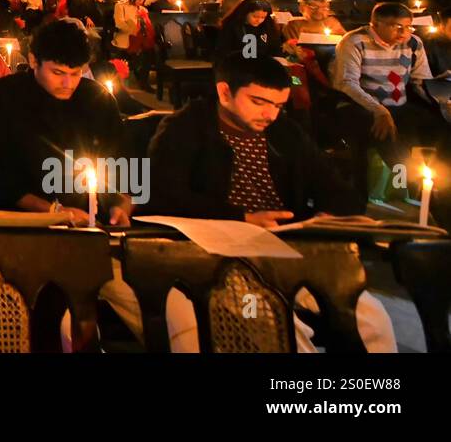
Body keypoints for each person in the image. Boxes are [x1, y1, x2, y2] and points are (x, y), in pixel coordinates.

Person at [141, 57, 396, 352]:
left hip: (286, 248)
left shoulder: (284, 132)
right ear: (225, 93)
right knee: (279, 325)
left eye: (278, 105)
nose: (270, 114)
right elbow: (162, 197)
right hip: (219, 255)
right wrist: (242, 217)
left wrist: (335, 215)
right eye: (259, 102)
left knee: (371, 318)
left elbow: (335, 186)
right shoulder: (185, 128)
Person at [0, 20, 126, 225]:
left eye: (75, 73)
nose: (68, 84)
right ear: (34, 60)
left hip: (92, 221)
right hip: (23, 221)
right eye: (58, 73)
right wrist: (53, 211)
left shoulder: (97, 98)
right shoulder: (7, 96)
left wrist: (120, 205)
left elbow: (121, 160)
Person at [332, 3, 449, 221]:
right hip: (360, 106)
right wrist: (379, 110)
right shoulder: (354, 42)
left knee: (443, 128)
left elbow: (419, 83)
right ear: (375, 24)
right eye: (396, 27)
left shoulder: (413, 43)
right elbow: (346, 83)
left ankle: (440, 190)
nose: (404, 33)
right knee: (386, 133)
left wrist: (441, 104)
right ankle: (413, 187)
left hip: (399, 105)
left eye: (408, 27)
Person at [112, 0, 156, 85]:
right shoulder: (120, 6)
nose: (141, 1)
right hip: (127, 36)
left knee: (149, 51)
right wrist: (133, 30)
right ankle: (139, 76)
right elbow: (119, 23)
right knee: (139, 52)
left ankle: (143, 80)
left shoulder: (143, 10)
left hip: (141, 38)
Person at [216, 0, 280, 60]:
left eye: (263, 17)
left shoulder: (268, 26)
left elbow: (275, 48)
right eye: (255, 16)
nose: (259, 20)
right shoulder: (232, 27)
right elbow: (224, 52)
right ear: (245, 12)